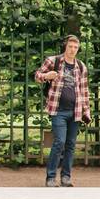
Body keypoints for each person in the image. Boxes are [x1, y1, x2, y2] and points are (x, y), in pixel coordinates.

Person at [35, 35, 92, 188]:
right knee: (59, 142)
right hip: (58, 111)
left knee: (71, 144)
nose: (72, 50)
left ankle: (66, 177)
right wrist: (46, 76)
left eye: (75, 47)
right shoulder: (53, 61)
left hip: (76, 112)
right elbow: (37, 75)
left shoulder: (81, 66)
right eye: (70, 47)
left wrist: (86, 111)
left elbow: (84, 91)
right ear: (65, 47)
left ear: (78, 49)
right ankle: (51, 177)